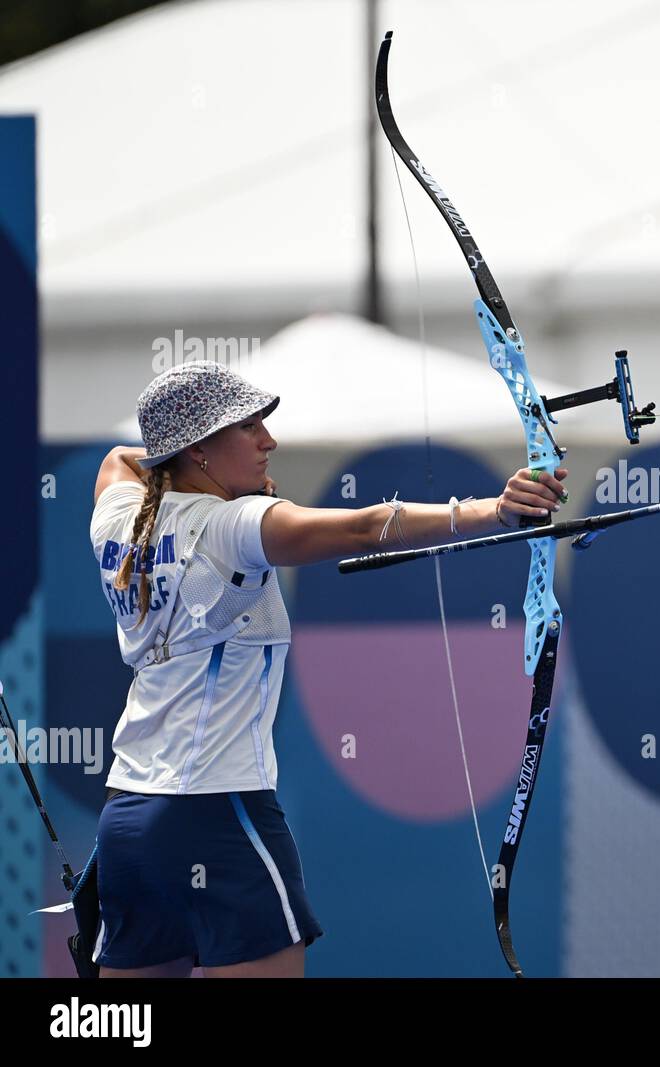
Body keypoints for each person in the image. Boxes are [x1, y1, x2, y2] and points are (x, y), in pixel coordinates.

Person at [88, 360, 567, 977]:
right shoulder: (232, 526)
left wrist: (178, 459)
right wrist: (492, 512)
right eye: (248, 427)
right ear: (200, 448)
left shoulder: (122, 519)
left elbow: (121, 461)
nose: (269, 440)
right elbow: (370, 525)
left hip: (128, 818)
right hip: (217, 809)